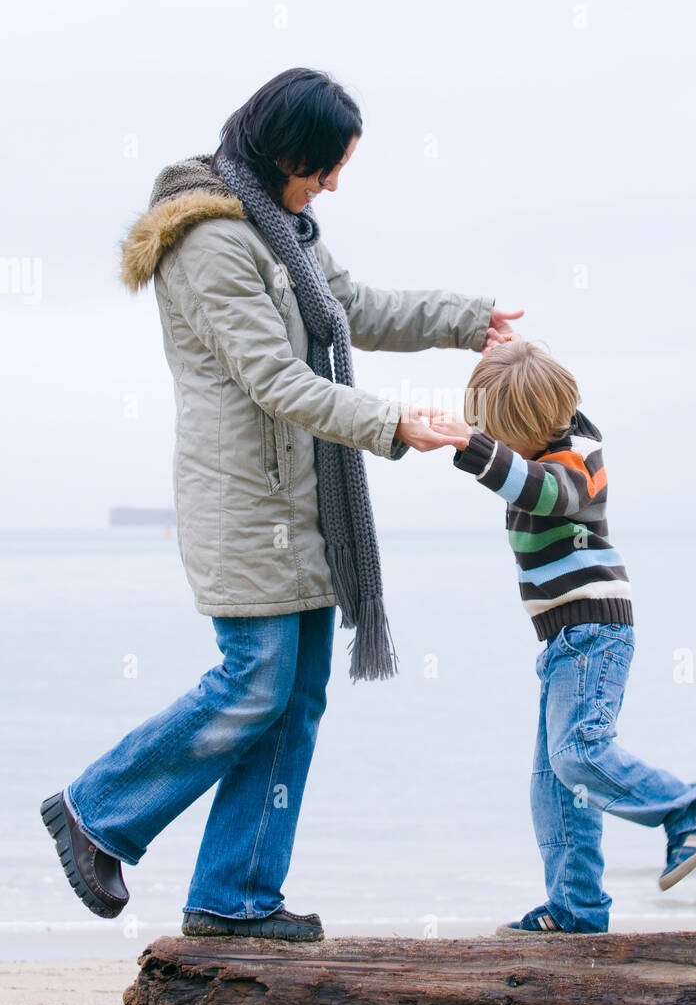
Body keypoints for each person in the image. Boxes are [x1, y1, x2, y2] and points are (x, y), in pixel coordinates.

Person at [41, 67, 523, 941]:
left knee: (292, 701)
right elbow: (274, 380)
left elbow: (354, 308)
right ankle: (94, 809)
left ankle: (235, 898)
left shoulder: (284, 230)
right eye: (326, 164)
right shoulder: (213, 243)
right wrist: (390, 422)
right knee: (252, 684)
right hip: (245, 503)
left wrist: (467, 318)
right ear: (285, 150)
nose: (335, 181)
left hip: (300, 502)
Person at [430, 340, 696, 935]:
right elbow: (522, 466)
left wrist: (475, 449)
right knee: (553, 785)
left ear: (528, 428)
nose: (489, 439)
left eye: (496, 431)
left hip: (593, 632)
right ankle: (576, 909)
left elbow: (545, 491)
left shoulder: (578, 466)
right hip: (564, 644)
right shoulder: (543, 452)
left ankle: (693, 810)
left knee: (579, 754)